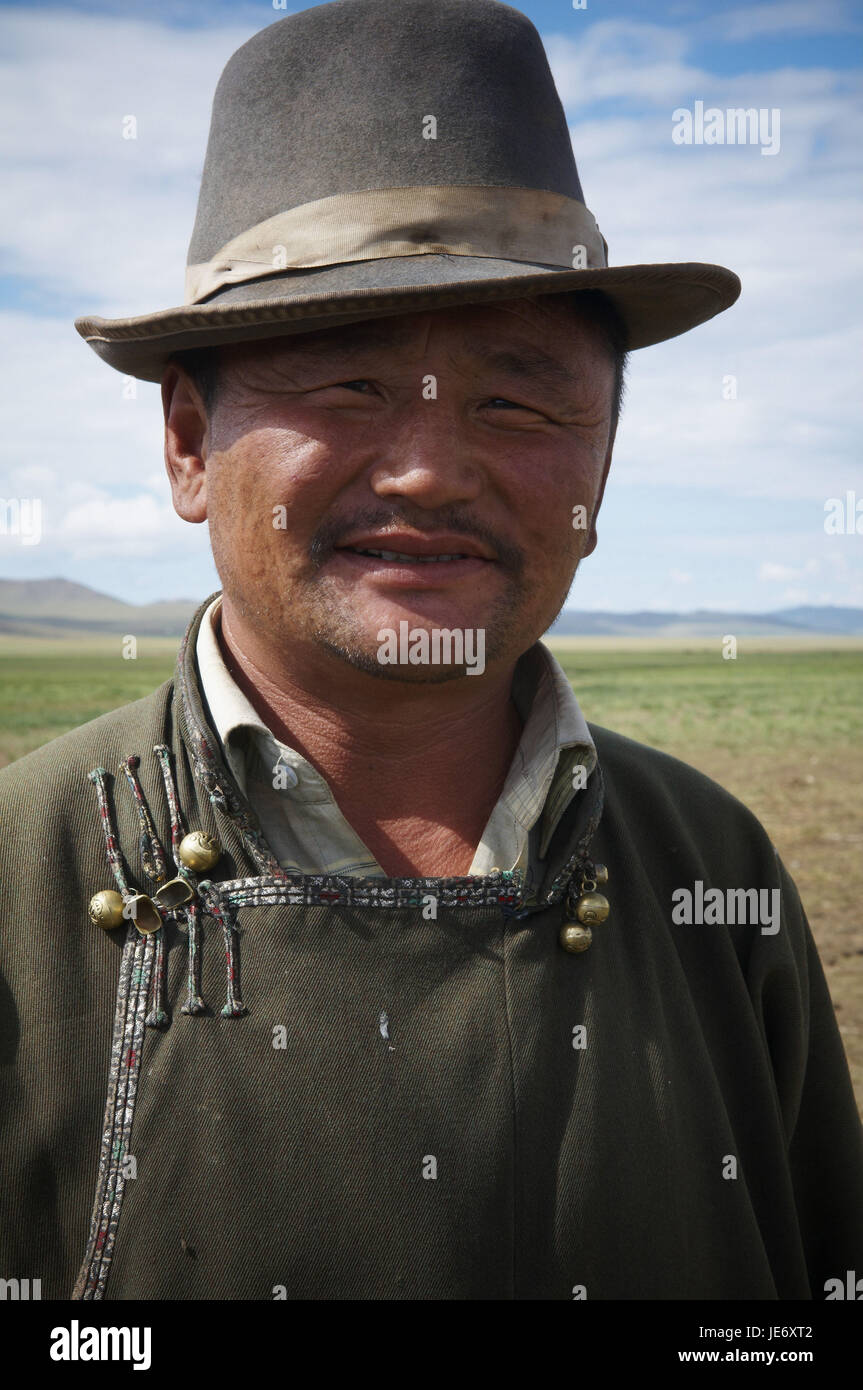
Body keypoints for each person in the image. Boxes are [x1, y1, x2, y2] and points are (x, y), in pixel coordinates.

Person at [1, 0, 860, 1302]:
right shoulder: (19, 880)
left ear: (604, 460)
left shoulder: (716, 868)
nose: (427, 470)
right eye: (344, 383)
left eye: (516, 398)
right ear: (187, 443)